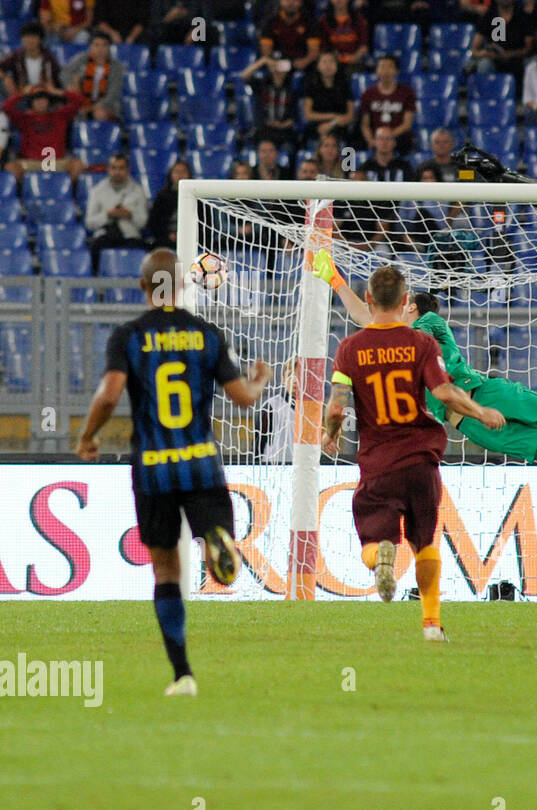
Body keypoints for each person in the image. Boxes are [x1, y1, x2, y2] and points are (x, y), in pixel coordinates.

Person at [74, 248, 272, 695]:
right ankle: (216, 537)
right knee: (212, 526)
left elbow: (108, 396)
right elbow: (242, 396)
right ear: (182, 284)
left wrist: (88, 436)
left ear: (143, 286)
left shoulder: (128, 336)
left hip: (152, 469)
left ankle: (182, 674)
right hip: (200, 459)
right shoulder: (206, 334)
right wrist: (259, 379)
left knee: (165, 570)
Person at [315, 251, 537, 481]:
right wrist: (334, 279)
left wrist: (338, 281)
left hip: (491, 394)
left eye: (406, 305)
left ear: (413, 307)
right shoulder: (400, 336)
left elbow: (368, 318)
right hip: (473, 422)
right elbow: (368, 318)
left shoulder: (428, 325)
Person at [321, 265, 507, 641]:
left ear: (370, 300)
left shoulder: (349, 349)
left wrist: (331, 435)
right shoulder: (422, 344)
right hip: (421, 459)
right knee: (425, 544)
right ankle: (432, 625)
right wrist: (481, 412)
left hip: (378, 463)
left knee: (372, 543)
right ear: (406, 301)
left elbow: (336, 407)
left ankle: (382, 558)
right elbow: (444, 393)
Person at [2, 86, 85, 184]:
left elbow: (79, 101)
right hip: (31, 162)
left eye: (43, 99)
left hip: (55, 161)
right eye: (37, 99)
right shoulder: (24, 118)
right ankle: (21, 196)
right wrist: (22, 94)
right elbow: (5, 107)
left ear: (48, 101)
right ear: (31, 102)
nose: (40, 102)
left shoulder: (60, 116)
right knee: (10, 167)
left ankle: (70, 196)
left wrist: (57, 91)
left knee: (78, 165)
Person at [86, 153, 148, 270]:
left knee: (141, 249)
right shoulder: (97, 191)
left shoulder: (138, 190)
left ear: (127, 170)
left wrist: (129, 215)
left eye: (121, 168)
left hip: (130, 235)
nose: (117, 172)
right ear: (108, 169)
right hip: (105, 235)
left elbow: (143, 222)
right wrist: (108, 215)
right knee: (95, 247)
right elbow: (90, 223)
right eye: (114, 168)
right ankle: (96, 284)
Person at [60, 30, 124, 123]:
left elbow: (112, 95)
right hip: (82, 100)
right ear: (90, 46)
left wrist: (90, 109)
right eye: (96, 45)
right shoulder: (81, 59)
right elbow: (65, 72)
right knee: (64, 110)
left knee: (100, 114)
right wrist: (71, 84)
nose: (100, 49)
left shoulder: (116, 67)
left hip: (106, 105)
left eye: (104, 45)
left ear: (109, 47)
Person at [358, 55, 416, 154]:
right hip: (375, 139)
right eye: (382, 67)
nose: (386, 71)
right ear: (377, 70)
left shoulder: (407, 92)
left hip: (398, 139)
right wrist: (372, 140)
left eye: (390, 67)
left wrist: (386, 139)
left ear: (396, 71)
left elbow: (407, 124)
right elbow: (365, 125)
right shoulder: (368, 93)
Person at [241, 53, 300, 150]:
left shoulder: (291, 90)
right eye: (275, 66)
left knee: (290, 147)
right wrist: (262, 61)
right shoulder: (262, 85)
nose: (278, 70)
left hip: (284, 132)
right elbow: (244, 76)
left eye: (281, 66)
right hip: (264, 130)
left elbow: (293, 118)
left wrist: (281, 125)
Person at [469, 0, 537, 82]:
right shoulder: (489, 15)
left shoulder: (524, 16)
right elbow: (474, 48)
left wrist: (509, 54)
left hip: (519, 59)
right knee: (484, 64)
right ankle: (484, 93)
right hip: (495, 59)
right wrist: (484, 53)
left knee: (532, 64)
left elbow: (528, 48)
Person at [301, 50, 355, 144]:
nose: (328, 65)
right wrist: (333, 116)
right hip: (316, 128)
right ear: (318, 66)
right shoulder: (311, 86)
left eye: (331, 62)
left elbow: (350, 116)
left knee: (346, 144)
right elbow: (308, 115)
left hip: (339, 128)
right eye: (324, 62)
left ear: (337, 65)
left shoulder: (345, 86)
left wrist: (331, 124)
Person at [259, 0, 321, 74]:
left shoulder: (309, 21)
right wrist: (276, 64)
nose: (291, 3)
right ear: (280, 1)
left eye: (295, 0)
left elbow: (314, 52)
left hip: (302, 65)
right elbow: (266, 53)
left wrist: (304, 61)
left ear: (301, 2)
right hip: (277, 63)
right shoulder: (270, 21)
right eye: (287, 0)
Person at [0, 22, 60, 97]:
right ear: (22, 39)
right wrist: (6, 78)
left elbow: (56, 79)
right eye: (26, 37)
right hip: (22, 94)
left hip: (44, 96)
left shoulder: (48, 57)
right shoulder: (16, 56)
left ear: (41, 40)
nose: (30, 40)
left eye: (33, 37)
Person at [146, 159, 191, 249]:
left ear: (189, 175)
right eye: (177, 172)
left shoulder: (196, 198)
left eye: (183, 172)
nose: (180, 175)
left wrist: (186, 236)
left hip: (191, 240)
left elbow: (204, 224)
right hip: (165, 239)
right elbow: (154, 222)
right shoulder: (162, 197)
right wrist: (168, 235)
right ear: (171, 175)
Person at [317, 0, 369, 73]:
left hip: (354, 62)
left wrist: (354, 57)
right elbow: (322, 48)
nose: (339, 1)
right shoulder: (323, 21)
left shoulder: (358, 19)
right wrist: (332, 57)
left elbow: (364, 46)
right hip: (332, 62)